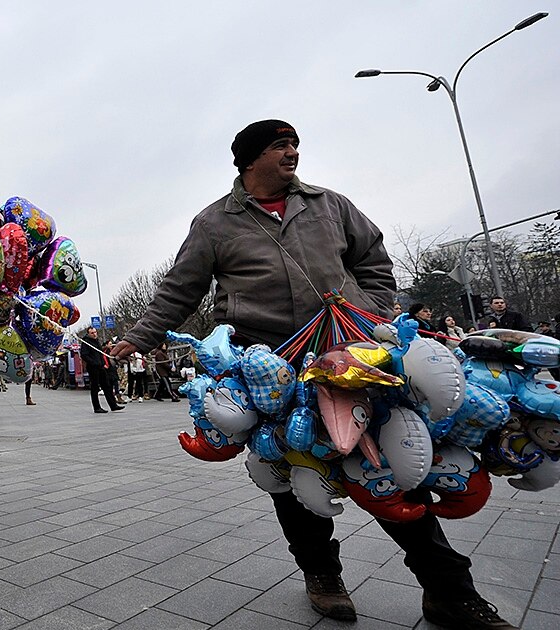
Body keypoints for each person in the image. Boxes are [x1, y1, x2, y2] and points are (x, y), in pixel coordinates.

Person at [110, 119, 509, 628]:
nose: (292, 153)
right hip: (272, 371)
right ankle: (322, 576)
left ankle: (449, 592)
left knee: (391, 467)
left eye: (295, 144)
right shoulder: (215, 223)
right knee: (296, 475)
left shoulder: (329, 205)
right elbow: (178, 290)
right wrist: (137, 338)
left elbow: (374, 260)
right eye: (280, 146)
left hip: (351, 358)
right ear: (249, 160)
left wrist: (374, 309)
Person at [80, 327, 123, 414]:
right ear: (88, 334)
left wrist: (103, 363)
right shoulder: (86, 342)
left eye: (95, 332)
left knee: (107, 386)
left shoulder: (96, 341)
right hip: (93, 367)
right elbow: (84, 355)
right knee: (95, 387)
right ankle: (97, 407)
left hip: (101, 366)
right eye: (92, 333)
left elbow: (100, 354)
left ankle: (113, 405)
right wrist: (94, 363)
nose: (95, 334)